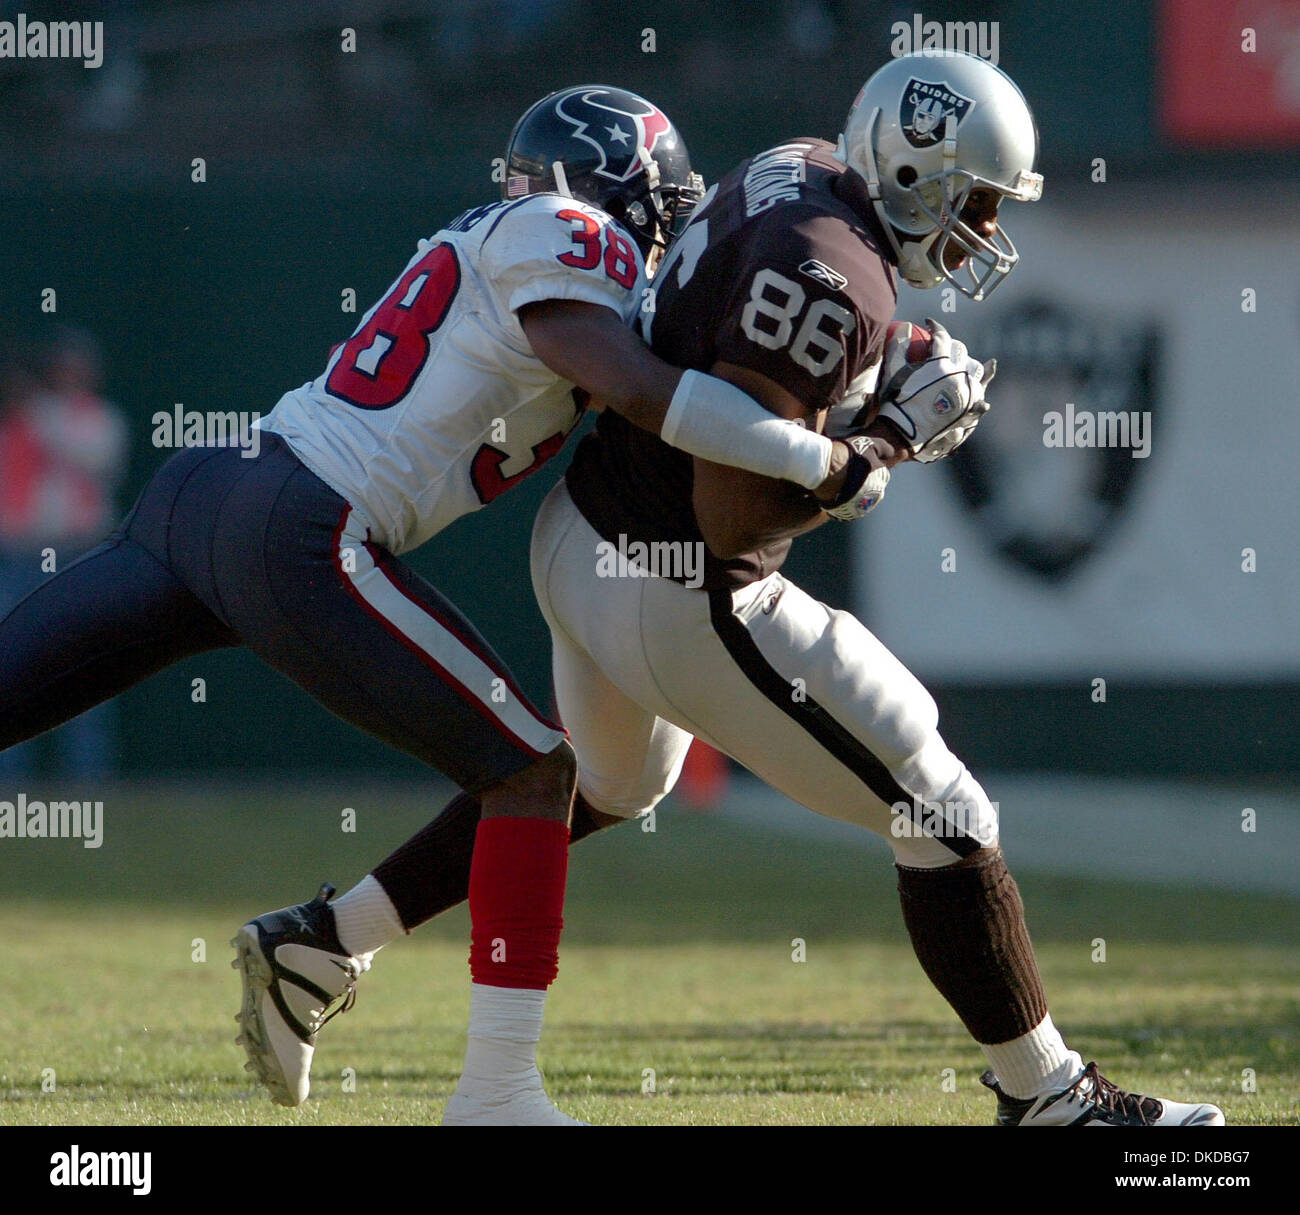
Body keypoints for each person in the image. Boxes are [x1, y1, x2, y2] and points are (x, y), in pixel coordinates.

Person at [267, 53, 1224, 1127]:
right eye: (974, 203)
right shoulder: (831, 275)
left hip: (581, 535)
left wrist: (873, 370)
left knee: (607, 787)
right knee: (942, 806)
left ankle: (328, 939)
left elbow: (726, 326)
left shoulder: (798, 168)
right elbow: (737, 513)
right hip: (684, 585)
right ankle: (1048, 1096)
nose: (980, 232)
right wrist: (887, 444)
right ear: (914, 172)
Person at [0, 84, 872, 1127]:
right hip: (301, 525)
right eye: (662, 198)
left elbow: (669, 377)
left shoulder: (516, 236)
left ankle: (334, 962)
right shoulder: (573, 236)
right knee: (534, 772)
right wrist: (825, 457)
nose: (668, 222)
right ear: (614, 187)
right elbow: (642, 389)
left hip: (205, 496)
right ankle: (496, 1095)